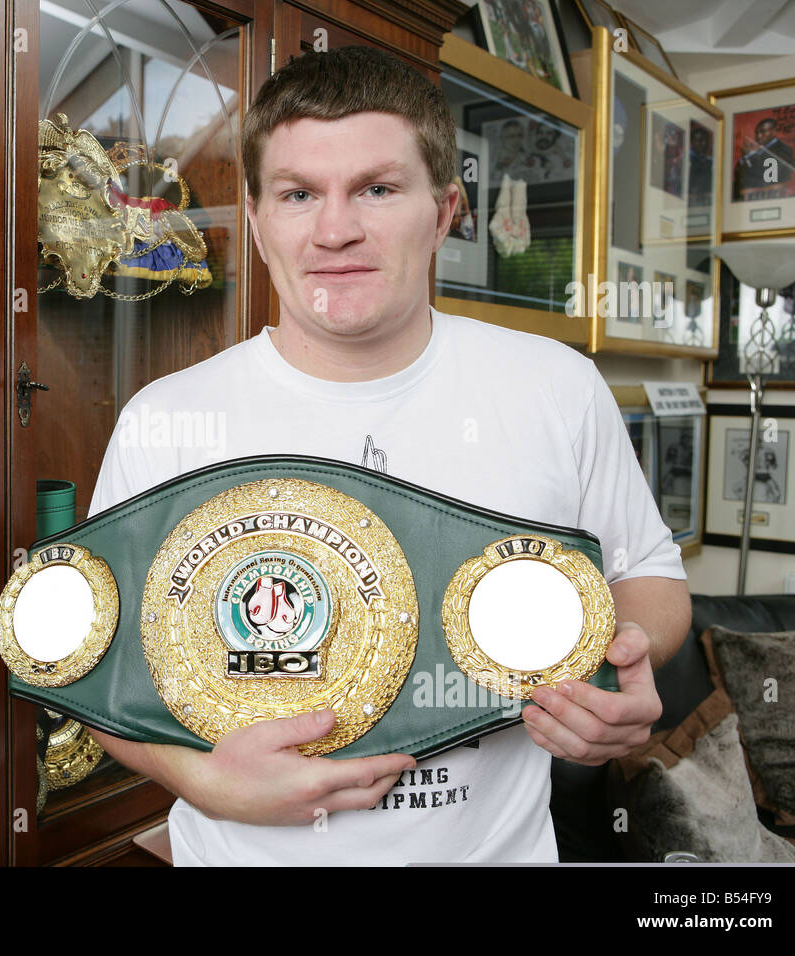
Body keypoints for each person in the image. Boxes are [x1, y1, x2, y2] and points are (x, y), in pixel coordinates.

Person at [85, 46, 691, 866]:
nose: (337, 229)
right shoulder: (164, 420)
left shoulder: (556, 387)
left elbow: (651, 575)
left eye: (377, 188)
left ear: (443, 211)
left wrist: (618, 666)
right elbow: (96, 674)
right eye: (300, 194)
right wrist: (202, 781)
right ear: (258, 220)